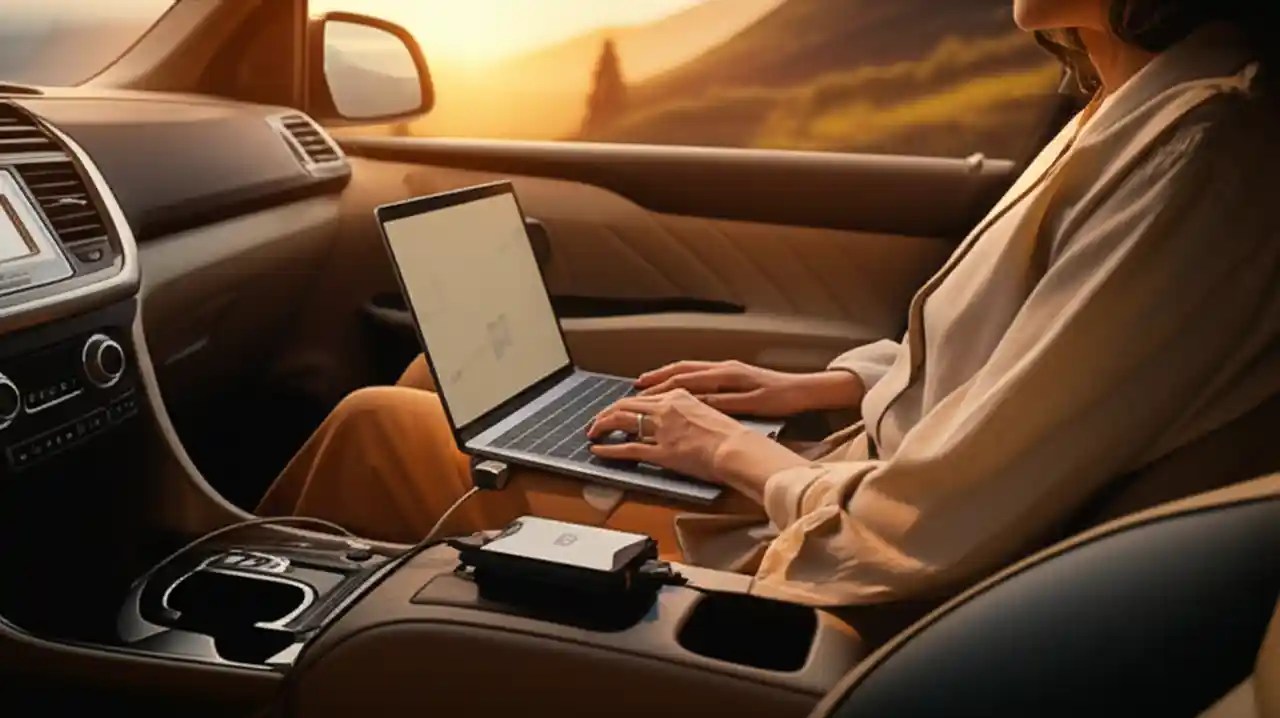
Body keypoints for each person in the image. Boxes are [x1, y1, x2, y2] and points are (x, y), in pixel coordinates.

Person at [259, 0, 1280, 606]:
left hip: (839, 587)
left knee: (377, 427)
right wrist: (825, 384)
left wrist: (728, 454)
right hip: (848, 492)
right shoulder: (1135, 106)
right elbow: (1021, 364)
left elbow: (921, 528)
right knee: (431, 380)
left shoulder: (1201, 153)